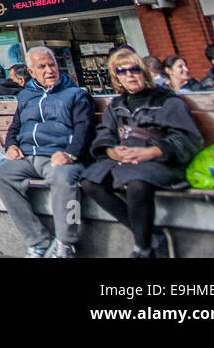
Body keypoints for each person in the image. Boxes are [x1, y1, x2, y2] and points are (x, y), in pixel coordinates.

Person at [80, 49, 203, 257]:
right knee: (90, 181)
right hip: (127, 161)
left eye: (134, 69)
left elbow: (188, 139)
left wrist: (153, 151)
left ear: (143, 72)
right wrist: (112, 151)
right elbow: (105, 133)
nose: (129, 75)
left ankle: (142, 248)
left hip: (163, 162)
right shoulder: (116, 106)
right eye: (122, 71)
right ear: (117, 77)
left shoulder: (167, 101)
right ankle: (150, 234)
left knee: (137, 184)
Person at [0, 46, 94, 258]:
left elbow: (85, 128)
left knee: (65, 178)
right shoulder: (26, 95)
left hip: (60, 157)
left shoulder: (75, 94)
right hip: (27, 157)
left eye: (52, 65)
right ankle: (38, 241)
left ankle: (66, 243)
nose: (49, 70)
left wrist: (71, 153)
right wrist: (11, 146)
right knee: (0, 175)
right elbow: (15, 127)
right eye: (42, 67)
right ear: (31, 71)